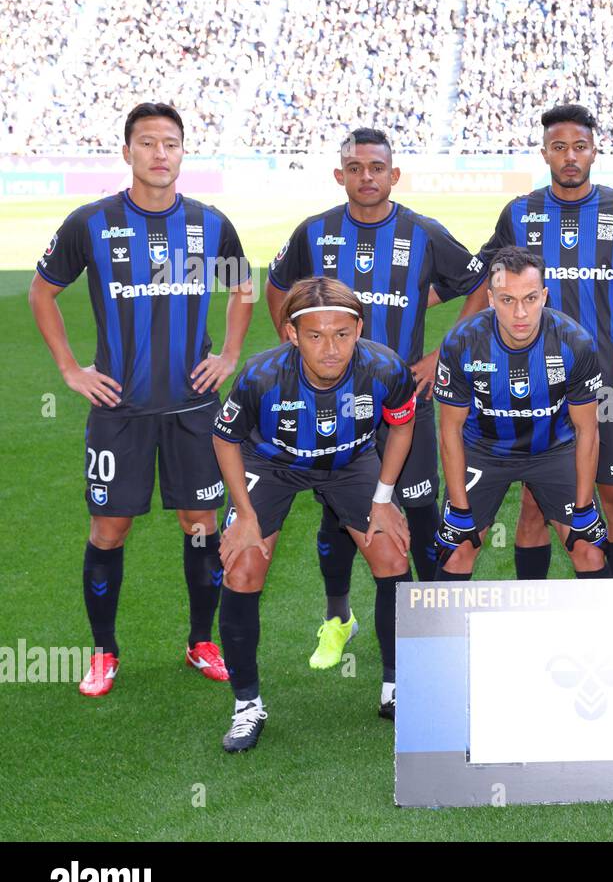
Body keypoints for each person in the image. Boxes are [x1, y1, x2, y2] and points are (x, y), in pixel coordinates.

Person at [29, 102, 253, 697]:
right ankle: (104, 652)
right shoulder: (92, 221)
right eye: (148, 143)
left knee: (201, 525)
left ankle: (201, 642)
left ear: (184, 152)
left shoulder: (210, 223)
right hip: (119, 410)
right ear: (127, 152)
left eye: (171, 144)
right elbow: (42, 292)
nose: (160, 154)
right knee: (110, 528)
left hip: (193, 406)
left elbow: (243, 288)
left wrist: (229, 355)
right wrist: (71, 369)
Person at [264, 127, 485, 672]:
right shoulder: (314, 233)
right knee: (339, 517)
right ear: (340, 174)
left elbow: (477, 284)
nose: (367, 177)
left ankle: (433, 630)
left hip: (403, 400)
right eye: (356, 167)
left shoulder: (423, 232)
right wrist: (295, 348)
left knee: (422, 509)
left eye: (376, 168)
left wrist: (440, 355)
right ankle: (339, 620)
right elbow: (277, 287)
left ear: (394, 174)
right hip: (332, 407)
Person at [213, 278, 417, 751]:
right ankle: (247, 705)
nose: (331, 348)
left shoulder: (385, 367)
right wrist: (244, 514)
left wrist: (383, 500)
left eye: (342, 334)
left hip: (350, 462)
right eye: (316, 336)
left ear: (358, 329)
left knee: (391, 554)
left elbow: (401, 427)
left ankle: (395, 687)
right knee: (243, 566)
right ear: (292, 333)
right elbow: (224, 439)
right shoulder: (261, 375)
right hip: (272, 462)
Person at [476, 104, 613, 579]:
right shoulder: (519, 213)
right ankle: (534, 611)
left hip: (612, 383)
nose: (570, 156)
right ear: (544, 152)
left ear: (594, 152)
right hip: (534, 385)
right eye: (559, 147)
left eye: (579, 147)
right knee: (533, 506)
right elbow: (485, 282)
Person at [431, 247, 609, 580]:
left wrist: (584, 507)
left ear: (544, 295)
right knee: (458, 551)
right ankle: (441, 634)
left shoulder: (575, 343)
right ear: (490, 299)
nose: (520, 313)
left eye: (529, 298)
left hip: (553, 450)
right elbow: (450, 432)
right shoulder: (462, 343)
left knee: (588, 548)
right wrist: (458, 506)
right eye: (507, 300)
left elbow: (588, 431)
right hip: (484, 451)